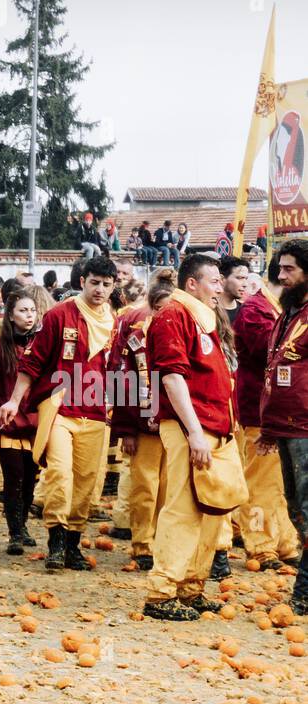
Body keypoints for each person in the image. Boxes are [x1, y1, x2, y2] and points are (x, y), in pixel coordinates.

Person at [0, 253, 117, 571]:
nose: (100, 290)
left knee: (86, 482)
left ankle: (73, 544)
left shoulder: (114, 323)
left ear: (113, 286)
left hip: (95, 412)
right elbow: (33, 361)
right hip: (59, 406)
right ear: (82, 281)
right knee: (60, 475)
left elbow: (118, 370)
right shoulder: (59, 316)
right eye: (94, 283)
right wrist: (14, 400)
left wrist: (122, 412)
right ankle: (55, 540)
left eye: (106, 285)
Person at [141, 254, 233, 621]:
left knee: (210, 508)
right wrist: (194, 432)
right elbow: (172, 377)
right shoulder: (173, 316)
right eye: (214, 281)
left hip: (213, 425)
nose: (220, 287)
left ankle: (191, 586)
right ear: (192, 283)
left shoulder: (203, 318)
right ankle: (162, 591)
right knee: (182, 507)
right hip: (189, 427)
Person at [233, 262, 300, 569]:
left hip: (283, 413)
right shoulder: (255, 311)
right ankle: (260, 545)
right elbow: (273, 355)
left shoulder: (285, 311)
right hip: (258, 410)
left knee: (282, 485)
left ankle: (285, 543)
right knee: (261, 482)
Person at [255, 239, 308, 614]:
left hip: (307, 425)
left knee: (307, 507)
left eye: (290, 269)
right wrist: (270, 428)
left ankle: (304, 589)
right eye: (280, 268)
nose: (281, 276)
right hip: (286, 426)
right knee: (296, 509)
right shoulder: (288, 313)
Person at [108, 275, 171, 570]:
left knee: (171, 490)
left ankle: (165, 543)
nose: (164, 315)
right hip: (145, 424)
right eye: (159, 308)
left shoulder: (186, 336)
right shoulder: (135, 338)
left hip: (176, 427)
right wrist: (126, 430)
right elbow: (121, 380)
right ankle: (143, 544)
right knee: (145, 486)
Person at [0, 287, 40, 554]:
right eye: (22, 311)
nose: (29, 316)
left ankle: (23, 525)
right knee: (13, 477)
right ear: (11, 316)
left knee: (30, 478)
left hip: (34, 421)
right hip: (6, 422)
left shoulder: (40, 344)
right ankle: (15, 532)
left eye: (32, 310)